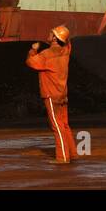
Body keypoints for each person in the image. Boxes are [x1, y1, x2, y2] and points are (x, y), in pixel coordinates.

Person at [26, 25, 76, 164]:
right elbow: (68, 43)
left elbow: (31, 62)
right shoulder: (66, 51)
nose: (49, 34)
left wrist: (33, 50)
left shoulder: (46, 55)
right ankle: (72, 154)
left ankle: (62, 158)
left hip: (51, 95)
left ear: (55, 38)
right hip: (62, 94)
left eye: (51, 33)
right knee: (64, 125)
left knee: (57, 127)